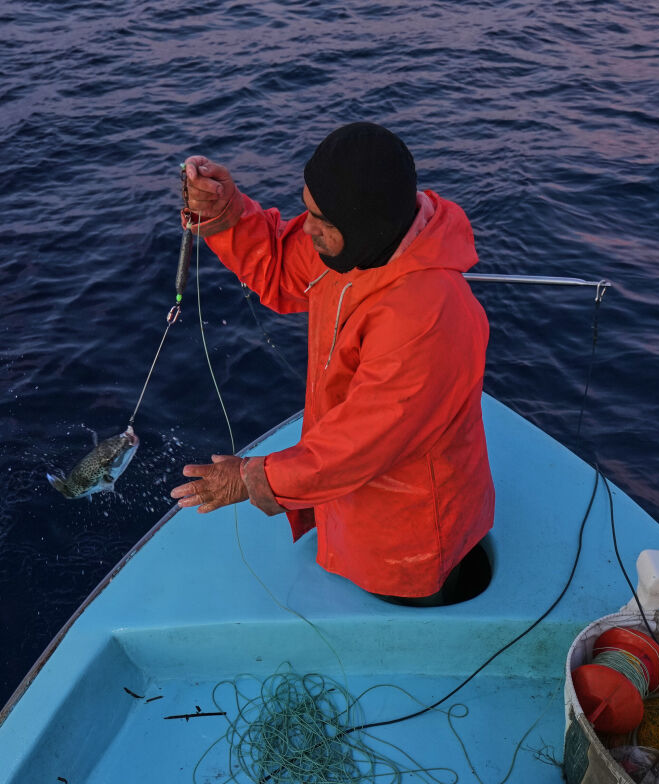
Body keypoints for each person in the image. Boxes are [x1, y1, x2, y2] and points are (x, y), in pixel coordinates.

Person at [168, 123, 494, 607]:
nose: (309, 227)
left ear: (365, 224)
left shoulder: (426, 318)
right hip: (351, 501)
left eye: (321, 219)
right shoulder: (364, 237)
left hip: (408, 534)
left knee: (403, 621)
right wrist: (227, 214)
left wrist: (253, 478)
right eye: (309, 209)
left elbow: (357, 447)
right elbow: (281, 266)